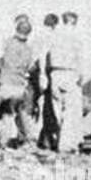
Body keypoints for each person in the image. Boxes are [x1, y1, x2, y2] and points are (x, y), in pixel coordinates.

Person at [48, 11, 86, 153]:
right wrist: (81, 75)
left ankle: (59, 138)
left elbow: (48, 55)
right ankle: (67, 144)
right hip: (70, 73)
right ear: (73, 21)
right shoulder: (76, 36)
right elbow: (79, 57)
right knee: (71, 110)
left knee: (57, 109)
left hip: (55, 73)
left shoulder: (54, 35)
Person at [0, 14, 37, 146]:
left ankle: (4, 141)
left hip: (6, 83)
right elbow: (31, 67)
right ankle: (29, 140)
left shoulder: (7, 43)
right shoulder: (28, 49)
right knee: (22, 113)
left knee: (7, 114)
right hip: (20, 85)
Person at [35, 13, 59, 148]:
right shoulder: (51, 37)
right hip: (47, 75)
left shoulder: (39, 35)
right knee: (47, 108)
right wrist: (43, 74)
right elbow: (43, 57)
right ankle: (47, 139)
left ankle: (44, 139)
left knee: (43, 107)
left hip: (42, 74)